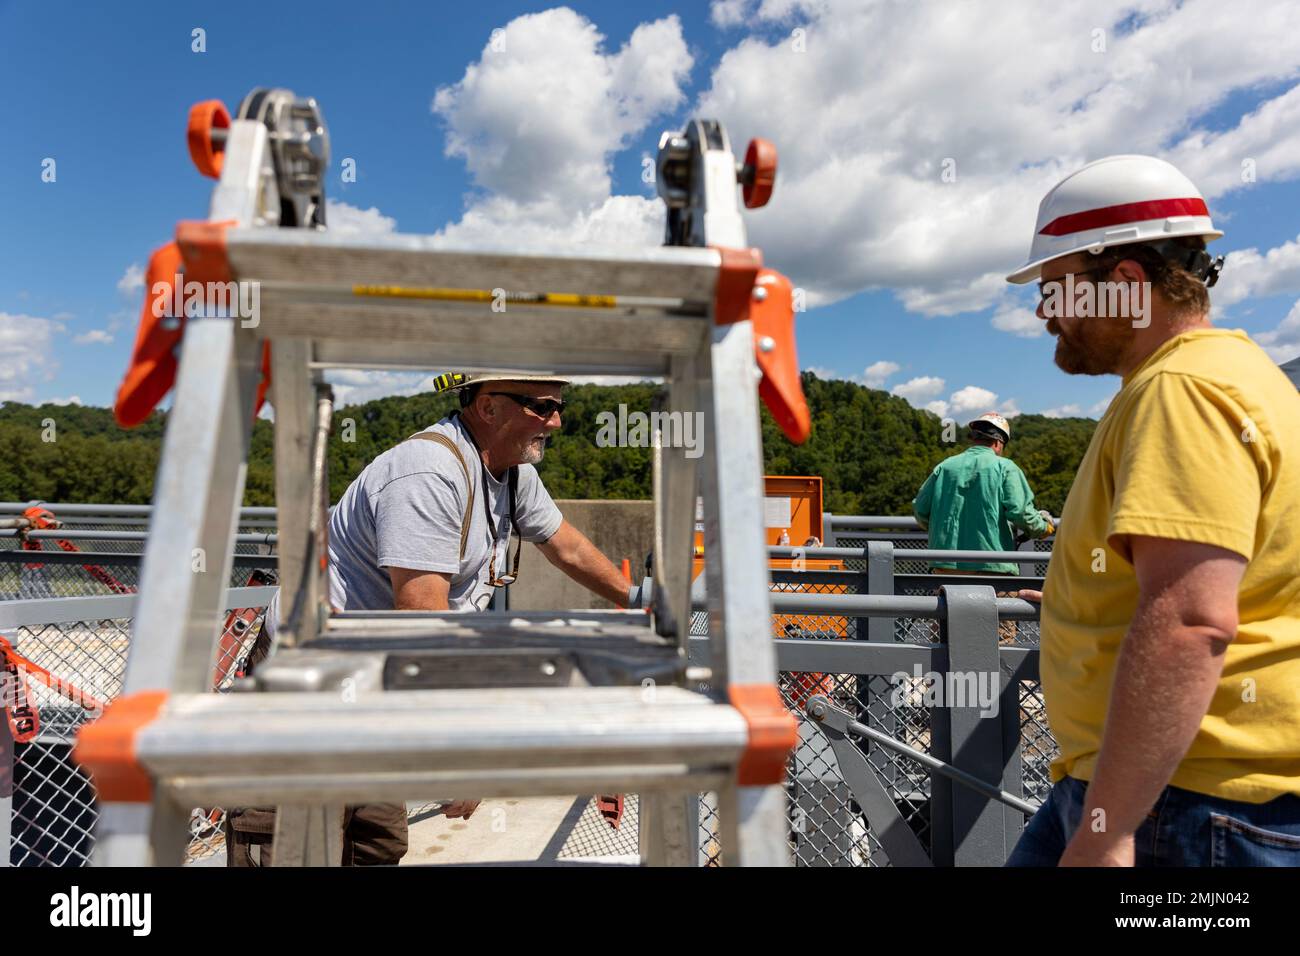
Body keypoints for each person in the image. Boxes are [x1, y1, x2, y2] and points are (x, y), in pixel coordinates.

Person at [1002, 154, 1300, 866]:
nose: (1046, 314)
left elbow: (1191, 623)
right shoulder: (1238, 374)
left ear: (1127, 287)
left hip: (1179, 805)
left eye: (1055, 291)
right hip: (1171, 790)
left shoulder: (1180, 393)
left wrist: (1106, 832)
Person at [226, 373, 635, 866]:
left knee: (373, 845)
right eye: (542, 407)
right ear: (488, 408)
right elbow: (422, 622)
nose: (557, 420)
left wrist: (637, 599)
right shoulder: (430, 473)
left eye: (557, 406)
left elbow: (566, 546)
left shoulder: (512, 474)